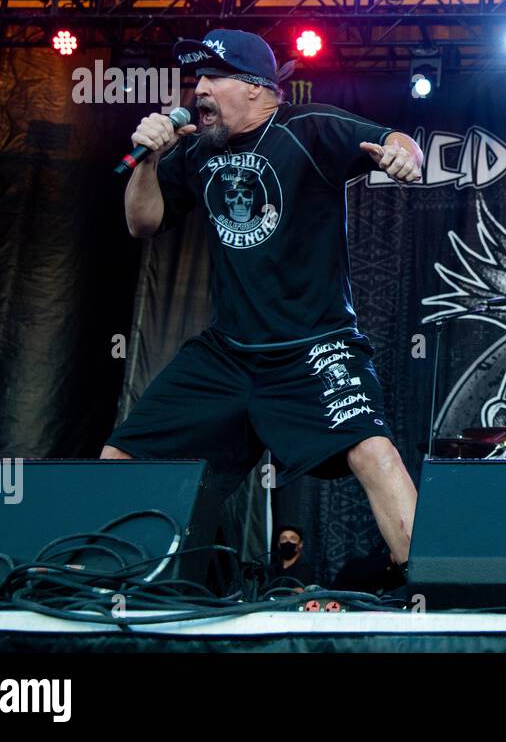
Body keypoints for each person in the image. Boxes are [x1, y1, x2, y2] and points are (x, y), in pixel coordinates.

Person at [102, 29, 423, 580]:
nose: (197, 90)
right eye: (194, 78)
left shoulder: (308, 128)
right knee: (121, 459)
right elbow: (142, 222)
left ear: (256, 89)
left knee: (373, 452)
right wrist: (149, 162)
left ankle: (440, 599)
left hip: (315, 346)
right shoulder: (197, 151)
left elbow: (398, 140)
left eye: (211, 78)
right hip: (229, 351)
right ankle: (109, 586)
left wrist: (402, 157)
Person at [268, 525, 316, 592]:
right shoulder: (273, 569)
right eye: (283, 539)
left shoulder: (305, 569)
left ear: (300, 544)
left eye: (293, 539)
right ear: (279, 544)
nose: (287, 542)